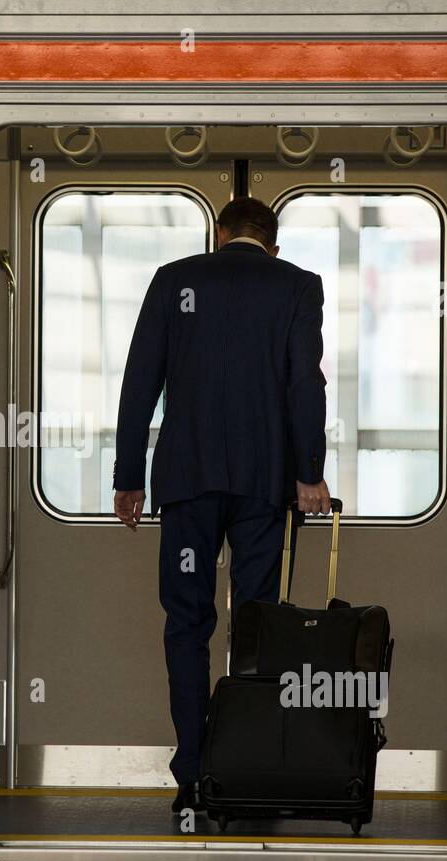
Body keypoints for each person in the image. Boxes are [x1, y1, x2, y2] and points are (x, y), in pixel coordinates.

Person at [111, 197, 332, 814]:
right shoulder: (299, 286)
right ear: (273, 244)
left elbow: (139, 383)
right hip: (265, 487)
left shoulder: (174, 280)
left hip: (188, 482)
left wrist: (129, 476)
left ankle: (193, 771)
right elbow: (304, 384)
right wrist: (309, 474)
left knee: (187, 625)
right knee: (255, 624)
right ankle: (246, 768)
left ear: (220, 234)